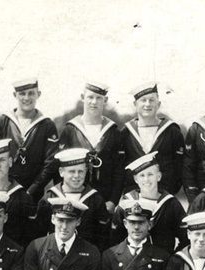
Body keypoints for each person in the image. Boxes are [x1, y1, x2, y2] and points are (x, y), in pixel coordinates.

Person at [0, 78, 59, 202]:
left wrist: (32, 190)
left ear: (38, 94)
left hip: (34, 194)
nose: (27, 98)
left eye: (31, 93)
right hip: (5, 192)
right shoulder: (2, 122)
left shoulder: (47, 125)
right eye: (22, 94)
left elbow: (51, 163)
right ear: (15, 95)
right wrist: (4, 187)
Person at [58, 80, 125, 212]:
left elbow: (119, 171)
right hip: (75, 200)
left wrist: (113, 201)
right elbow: (60, 168)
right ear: (83, 98)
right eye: (90, 97)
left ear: (105, 100)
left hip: (105, 200)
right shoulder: (70, 130)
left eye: (98, 98)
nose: (94, 102)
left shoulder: (113, 132)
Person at [36, 148, 111, 248]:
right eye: (71, 171)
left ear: (86, 171)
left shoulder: (95, 199)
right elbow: (39, 231)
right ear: (61, 172)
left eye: (80, 171)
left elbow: (102, 236)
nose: (76, 176)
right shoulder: (49, 197)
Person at [113, 152, 186, 253]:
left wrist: (172, 259)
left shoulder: (171, 204)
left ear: (159, 176)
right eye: (142, 175)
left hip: (162, 264)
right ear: (135, 179)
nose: (146, 179)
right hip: (132, 263)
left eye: (150, 174)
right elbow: (115, 238)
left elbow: (186, 238)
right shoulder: (127, 202)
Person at [121, 82, 184, 196]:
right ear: (135, 104)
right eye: (143, 100)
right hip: (134, 197)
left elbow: (179, 167)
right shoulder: (126, 132)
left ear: (158, 104)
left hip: (164, 196)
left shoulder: (172, 131)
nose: (147, 104)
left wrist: (168, 193)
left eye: (151, 100)